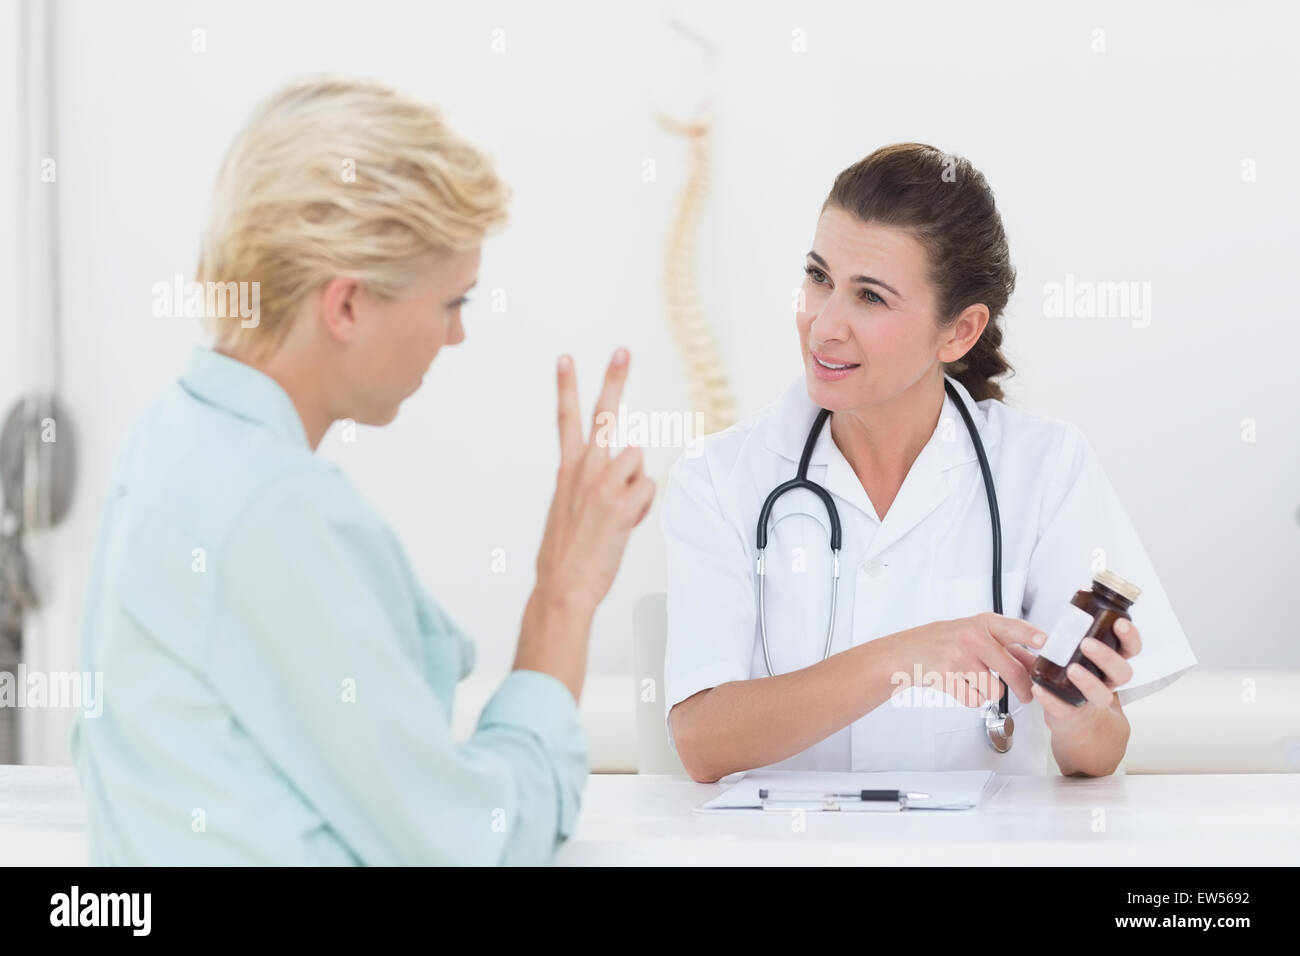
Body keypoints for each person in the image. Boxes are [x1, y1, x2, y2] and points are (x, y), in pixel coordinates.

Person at [69, 75, 655, 864]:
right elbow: (468, 844)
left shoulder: (169, 440)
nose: (455, 339)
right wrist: (567, 592)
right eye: (455, 303)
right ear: (345, 306)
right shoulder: (275, 510)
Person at [661, 143, 1196, 783]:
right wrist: (902, 657)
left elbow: (1096, 757)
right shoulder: (720, 478)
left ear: (960, 332)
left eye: (871, 297)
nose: (824, 325)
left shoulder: (1045, 467)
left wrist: (1079, 712)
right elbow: (701, 741)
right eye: (818, 276)